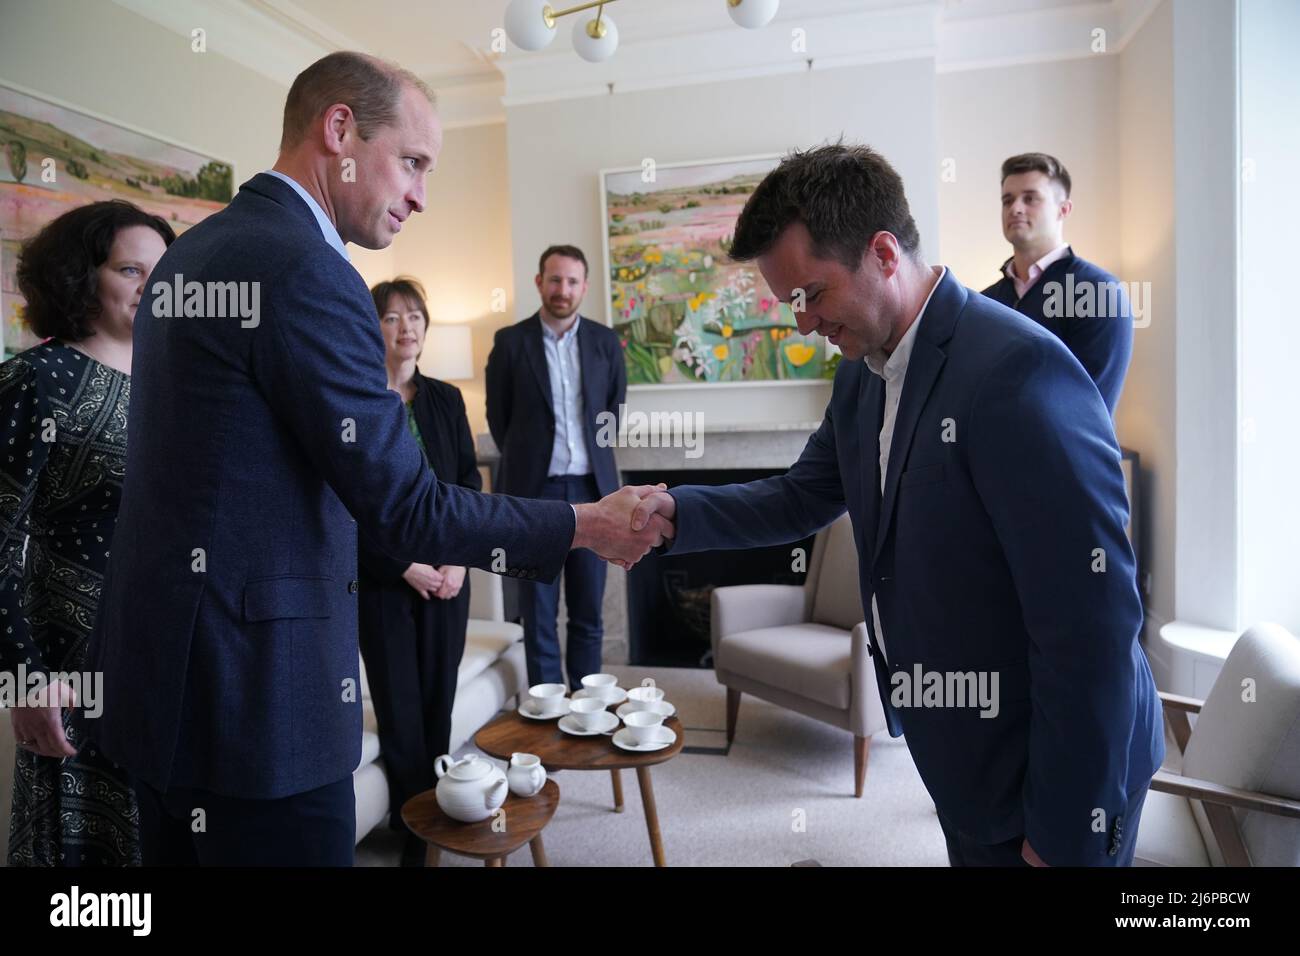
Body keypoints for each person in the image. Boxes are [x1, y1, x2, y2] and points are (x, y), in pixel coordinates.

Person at [80, 51, 671, 867]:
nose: (422, 195)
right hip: (259, 706)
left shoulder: (198, 249)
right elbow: (408, 506)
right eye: (414, 163)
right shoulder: (306, 271)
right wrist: (584, 523)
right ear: (340, 131)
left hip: (172, 686)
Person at [631, 143, 1163, 867]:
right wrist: (675, 513)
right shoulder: (863, 368)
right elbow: (800, 494)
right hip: (960, 757)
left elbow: (1093, 627)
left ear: (883, 253)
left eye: (812, 294)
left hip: (1047, 772)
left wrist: (1064, 836)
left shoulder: (1017, 372)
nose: (802, 325)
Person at [2, 200, 174, 865]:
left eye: (162, 273)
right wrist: (22, 678)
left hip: (165, 657)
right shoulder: (34, 381)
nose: (151, 288)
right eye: (131, 269)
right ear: (80, 277)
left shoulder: (175, 384)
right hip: (73, 664)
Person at [357, 276, 478, 867]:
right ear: (370, 327)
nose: (406, 329)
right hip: (385, 583)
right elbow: (346, 505)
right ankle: (412, 828)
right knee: (400, 707)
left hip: (449, 578)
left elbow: (468, 488)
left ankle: (433, 813)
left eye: (415, 318)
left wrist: (456, 559)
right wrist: (405, 566)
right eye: (391, 318)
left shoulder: (447, 400)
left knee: (438, 700)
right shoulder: (355, 403)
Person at [486, 245, 626, 691]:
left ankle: (586, 701)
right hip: (533, 494)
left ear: (584, 286)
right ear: (539, 282)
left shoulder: (606, 342)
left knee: (587, 609)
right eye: (554, 279)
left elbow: (613, 409)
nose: (562, 290)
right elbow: (499, 418)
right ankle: (547, 709)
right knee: (538, 609)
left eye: (571, 281)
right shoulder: (510, 343)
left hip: (594, 491)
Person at [980, 152, 1133, 415]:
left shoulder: (1099, 292)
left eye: (1030, 198)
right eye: (1008, 200)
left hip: (1070, 455)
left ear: (1064, 209)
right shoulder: (986, 302)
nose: (1016, 208)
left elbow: (1090, 406)